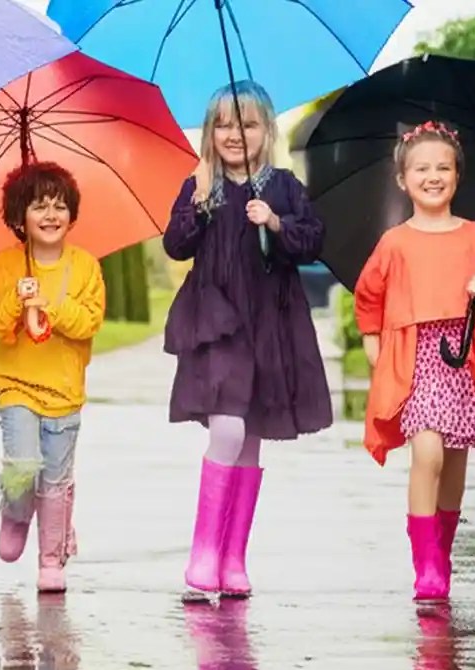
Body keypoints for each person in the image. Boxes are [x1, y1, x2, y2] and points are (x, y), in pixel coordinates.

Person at [163, 80, 332, 602]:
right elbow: (176, 244)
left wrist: (275, 221)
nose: (235, 134)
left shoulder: (281, 186)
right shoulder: (200, 184)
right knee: (230, 427)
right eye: (224, 123)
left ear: (267, 130)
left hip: (269, 322)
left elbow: (311, 240)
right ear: (211, 132)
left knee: (251, 435)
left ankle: (234, 558)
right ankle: (203, 552)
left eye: (248, 123)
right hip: (218, 321)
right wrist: (196, 205)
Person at [353, 120, 475, 603]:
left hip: (466, 361)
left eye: (442, 168)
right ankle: (426, 566)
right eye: (421, 168)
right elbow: (368, 299)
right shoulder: (395, 242)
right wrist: (375, 350)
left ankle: (442, 550)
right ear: (402, 179)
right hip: (418, 362)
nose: (432, 176)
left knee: (454, 461)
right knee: (427, 451)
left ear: (458, 175)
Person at [0, 161, 105, 593]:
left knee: (54, 479)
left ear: (72, 213)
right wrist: (17, 300)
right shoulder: (5, 265)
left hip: (65, 391)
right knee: (22, 465)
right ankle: (15, 513)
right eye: (38, 206)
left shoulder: (86, 267)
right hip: (16, 385)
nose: (50, 215)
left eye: (59, 206)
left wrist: (53, 303)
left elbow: (89, 322)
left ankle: (52, 558)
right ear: (20, 216)